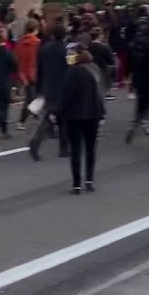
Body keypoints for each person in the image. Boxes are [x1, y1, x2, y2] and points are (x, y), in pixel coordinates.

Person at [60, 46, 105, 193]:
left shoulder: (73, 72)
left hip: (75, 115)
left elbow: (67, 94)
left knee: (76, 148)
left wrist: (60, 111)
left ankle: (76, 184)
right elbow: (100, 93)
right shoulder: (95, 69)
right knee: (91, 148)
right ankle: (89, 180)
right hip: (94, 114)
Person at [30, 23, 71, 159]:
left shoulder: (44, 49)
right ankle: (62, 148)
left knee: (50, 115)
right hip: (63, 88)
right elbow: (71, 70)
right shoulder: (67, 50)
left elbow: (40, 70)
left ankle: (36, 142)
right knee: (63, 118)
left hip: (48, 86)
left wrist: (39, 88)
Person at [14, 19, 41, 130]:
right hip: (33, 73)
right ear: (36, 29)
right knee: (31, 98)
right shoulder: (37, 43)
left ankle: (35, 113)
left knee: (32, 95)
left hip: (22, 72)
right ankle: (22, 121)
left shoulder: (20, 42)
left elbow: (16, 58)